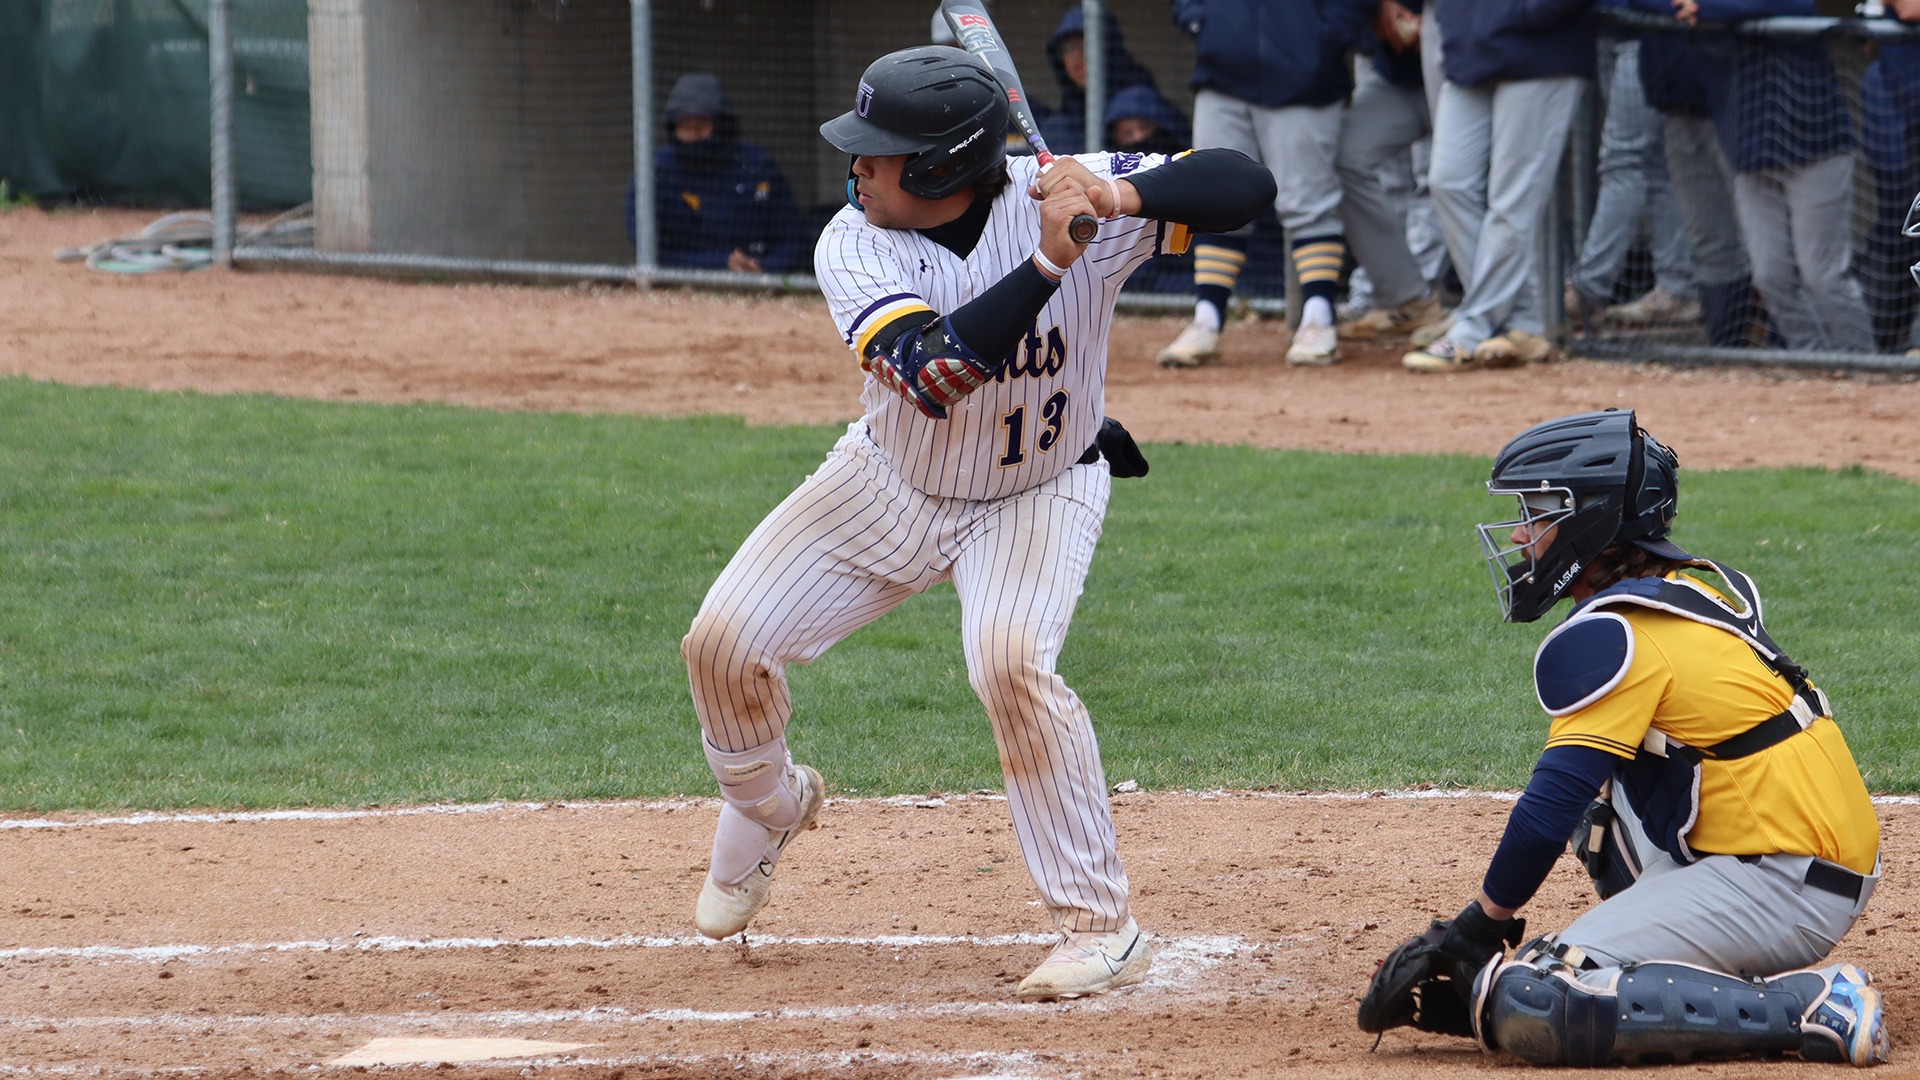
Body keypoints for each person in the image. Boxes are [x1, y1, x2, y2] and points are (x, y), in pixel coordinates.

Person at [681, 44, 1275, 1002]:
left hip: (1041, 488)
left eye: (877, 154)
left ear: (939, 166)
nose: (855, 169)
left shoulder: (1065, 190)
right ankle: (770, 805)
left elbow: (1247, 185)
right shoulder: (856, 241)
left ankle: (1099, 927)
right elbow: (934, 376)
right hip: (892, 481)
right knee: (720, 644)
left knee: (1009, 661)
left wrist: (1119, 199)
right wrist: (1049, 261)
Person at [1357, 408, 1888, 1067]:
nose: (1521, 532)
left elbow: (1546, 806)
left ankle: (1812, 1007)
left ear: (1592, 519)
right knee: (1597, 807)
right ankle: (1705, 973)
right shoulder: (1680, 588)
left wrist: (1480, 927)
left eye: (1539, 513)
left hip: (1783, 882)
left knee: (1538, 991)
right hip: (1788, 855)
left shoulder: (1613, 632)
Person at [1155, 0, 1378, 369]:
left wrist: (1323, 42)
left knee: (1308, 203)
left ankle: (1319, 319)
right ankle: (1206, 319)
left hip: (1304, 76)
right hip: (1222, 71)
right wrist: (1202, 22)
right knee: (1212, 201)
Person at [1403, 0, 1595, 371]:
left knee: (1512, 204)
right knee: (1447, 182)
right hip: (1471, 50)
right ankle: (1521, 322)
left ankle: (1472, 328)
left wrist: (1529, 13)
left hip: (1541, 52)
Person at [1676, 0, 1875, 353]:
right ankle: (1812, 358)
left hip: (1816, 149)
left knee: (1823, 275)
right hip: (1752, 154)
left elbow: (1789, 3)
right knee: (1769, 275)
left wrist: (1704, 7)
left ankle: (1864, 364)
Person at [1561, 23, 1701, 331]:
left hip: (1651, 28)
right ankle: (1677, 288)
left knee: (1624, 160)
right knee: (1654, 164)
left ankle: (1587, 289)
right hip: (1610, 25)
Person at [1335, 0, 1452, 342]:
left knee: (1452, 181)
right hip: (1398, 75)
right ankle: (1408, 300)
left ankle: (1506, 313)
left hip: (1469, 72)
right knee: (1343, 158)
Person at [627, 72, 805, 275]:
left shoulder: (756, 165)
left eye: (702, 126)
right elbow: (650, 256)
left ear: (721, 125)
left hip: (760, 280)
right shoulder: (655, 174)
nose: (694, 135)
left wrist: (764, 270)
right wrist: (721, 264)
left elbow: (794, 238)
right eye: (686, 126)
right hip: (684, 286)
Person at [1038, 5, 1164, 156]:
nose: (1078, 54)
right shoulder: (1057, 130)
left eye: (1086, 42)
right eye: (1069, 47)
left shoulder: (1143, 104)